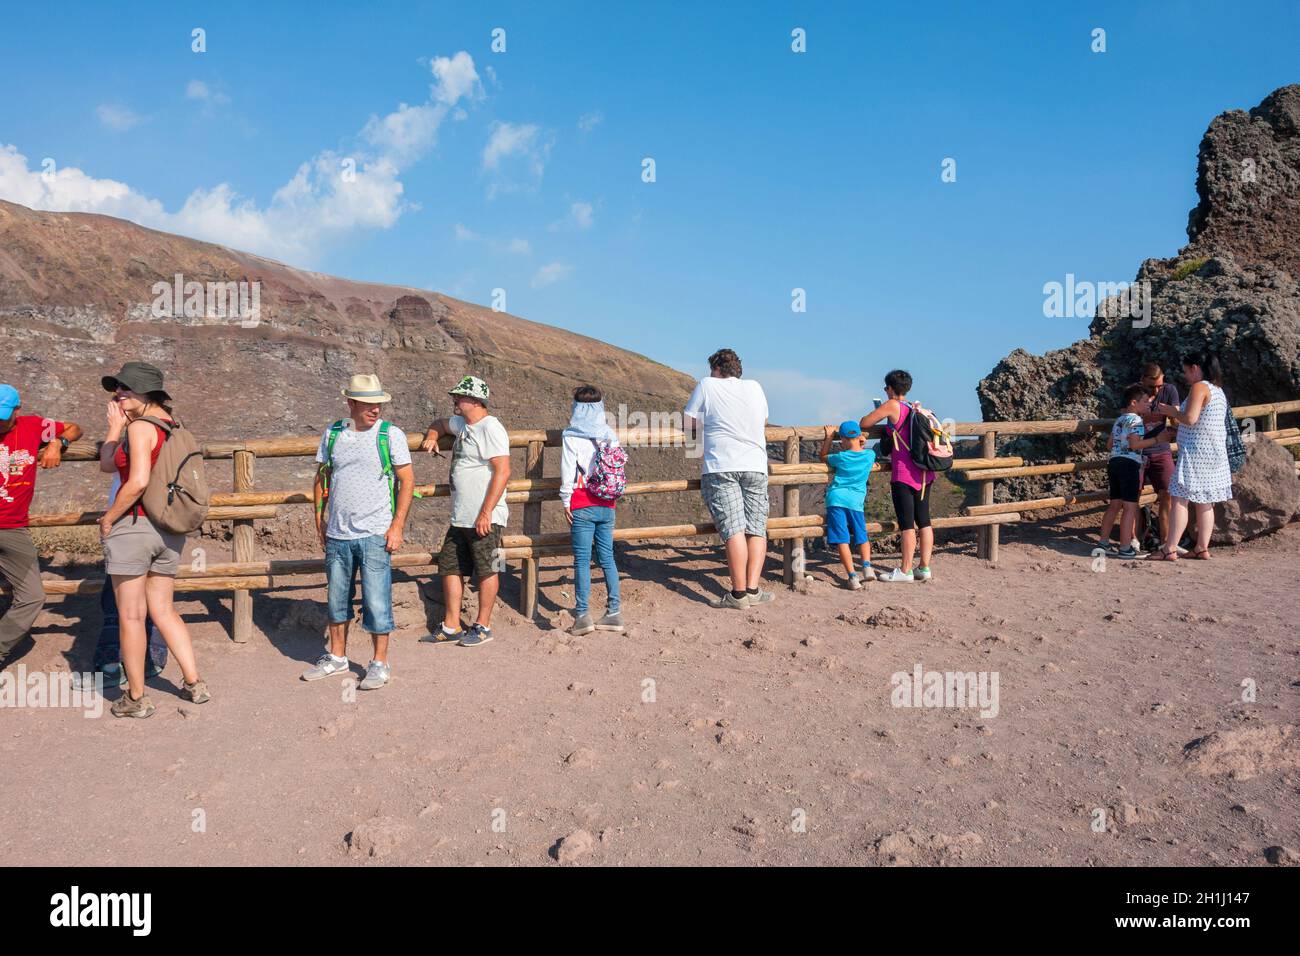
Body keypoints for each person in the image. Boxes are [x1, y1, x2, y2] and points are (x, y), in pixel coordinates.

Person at [98, 363, 208, 717]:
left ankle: (135, 698)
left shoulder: (142, 428)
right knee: (164, 609)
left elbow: (139, 481)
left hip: (134, 526)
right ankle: (195, 684)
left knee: (131, 616)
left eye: (126, 389)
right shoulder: (173, 426)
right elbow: (109, 464)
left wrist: (110, 517)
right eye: (117, 389)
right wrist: (115, 428)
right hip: (169, 530)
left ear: (147, 393)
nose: (119, 394)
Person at [303, 374, 415, 689]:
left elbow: (407, 480)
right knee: (337, 599)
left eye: (378, 404)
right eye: (368, 404)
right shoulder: (333, 433)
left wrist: (397, 526)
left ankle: (379, 663)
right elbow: (322, 476)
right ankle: (338, 657)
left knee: (377, 600)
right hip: (338, 533)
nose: (375, 410)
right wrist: (319, 520)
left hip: (376, 532)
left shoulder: (390, 435)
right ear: (351, 403)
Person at [419, 376, 510, 646]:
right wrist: (433, 436)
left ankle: (483, 626)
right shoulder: (463, 424)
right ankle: (452, 625)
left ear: (475, 400)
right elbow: (439, 423)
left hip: (487, 516)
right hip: (461, 515)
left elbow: (503, 471)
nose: (455, 400)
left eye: (459, 397)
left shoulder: (491, 427)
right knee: (449, 566)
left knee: (489, 569)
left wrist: (486, 513)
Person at [684, 349, 773, 609]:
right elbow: (764, 420)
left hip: (722, 465)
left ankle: (738, 595)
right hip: (756, 465)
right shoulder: (756, 387)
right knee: (756, 528)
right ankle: (753, 589)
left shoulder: (707, 384)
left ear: (717, 369)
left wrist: (708, 427)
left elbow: (688, 421)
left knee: (733, 529)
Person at [0, 384, 82, 665]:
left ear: (17, 411)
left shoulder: (33, 426)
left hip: (12, 529)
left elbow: (73, 428)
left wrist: (58, 443)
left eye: (3, 416)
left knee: (33, 596)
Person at [1147, 352, 1233, 561]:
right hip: (1214, 454)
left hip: (1196, 454)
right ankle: (1202, 548)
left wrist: (1172, 411)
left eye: (1186, 370)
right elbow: (1204, 422)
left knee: (1179, 499)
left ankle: (1170, 548)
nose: (1185, 375)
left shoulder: (1199, 387)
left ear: (1195, 368)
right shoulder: (1218, 390)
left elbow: (1190, 418)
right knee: (1206, 503)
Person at [559, 385, 625, 635]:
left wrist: (566, 500)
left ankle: (583, 615)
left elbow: (568, 470)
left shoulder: (571, 435)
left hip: (582, 502)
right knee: (607, 557)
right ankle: (614, 613)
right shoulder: (609, 433)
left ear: (576, 407)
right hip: (607, 503)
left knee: (583, 561)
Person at [91, 474, 169, 684]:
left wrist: (109, 517)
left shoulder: (139, 439)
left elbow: (135, 479)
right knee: (153, 601)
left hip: (132, 520)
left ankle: (118, 669)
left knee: (122, 604)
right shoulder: (171, 440)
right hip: (156, 520)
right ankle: (154, 658)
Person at [858, 370, 935, 582]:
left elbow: (865, 423)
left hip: (904, 473)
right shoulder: (915, 407)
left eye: (886, 388)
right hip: (924, 472)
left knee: (907, 523)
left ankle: (905, 570)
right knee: (925, 521)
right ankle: (924, 568)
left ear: (890, 389)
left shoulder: (893, 405)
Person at [1098, 384, 1167, 558]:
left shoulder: (1120, 420)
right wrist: (1157, 439)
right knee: (1130, 507)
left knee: (1114, 505)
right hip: (1129, 465)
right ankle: (1125, 548)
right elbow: (1134, 444)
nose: (1148, 405)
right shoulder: (1136, 421)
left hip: (1114, 463)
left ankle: (1103, 543)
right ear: (1134, 402)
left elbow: (1109, 445)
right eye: (1145, 402)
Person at [818, 420, 877, 589]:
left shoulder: (840, 457)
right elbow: (865, 448)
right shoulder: (869, 456)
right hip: (856, 503)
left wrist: (829, 438)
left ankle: (852, 577)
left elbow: (823, 456)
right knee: (861, 535)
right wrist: (862, 441)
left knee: (842, 539)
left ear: (842, 439)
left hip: (836, 500)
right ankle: (867, 567)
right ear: (859, 437)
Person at [1138, 362, 1182, 549]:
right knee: (1131, 498)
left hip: (1162, 451)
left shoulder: (1170, 390)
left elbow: (1176, 420)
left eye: (1159, 386)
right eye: (1151, 386)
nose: (1156, 390)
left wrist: (1173, 416)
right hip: (1136, 452)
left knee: (1168, 495)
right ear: (1142, 381)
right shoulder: (1133, 393)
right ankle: (1133, 541)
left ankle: (1167, 543)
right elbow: (1125, 419)